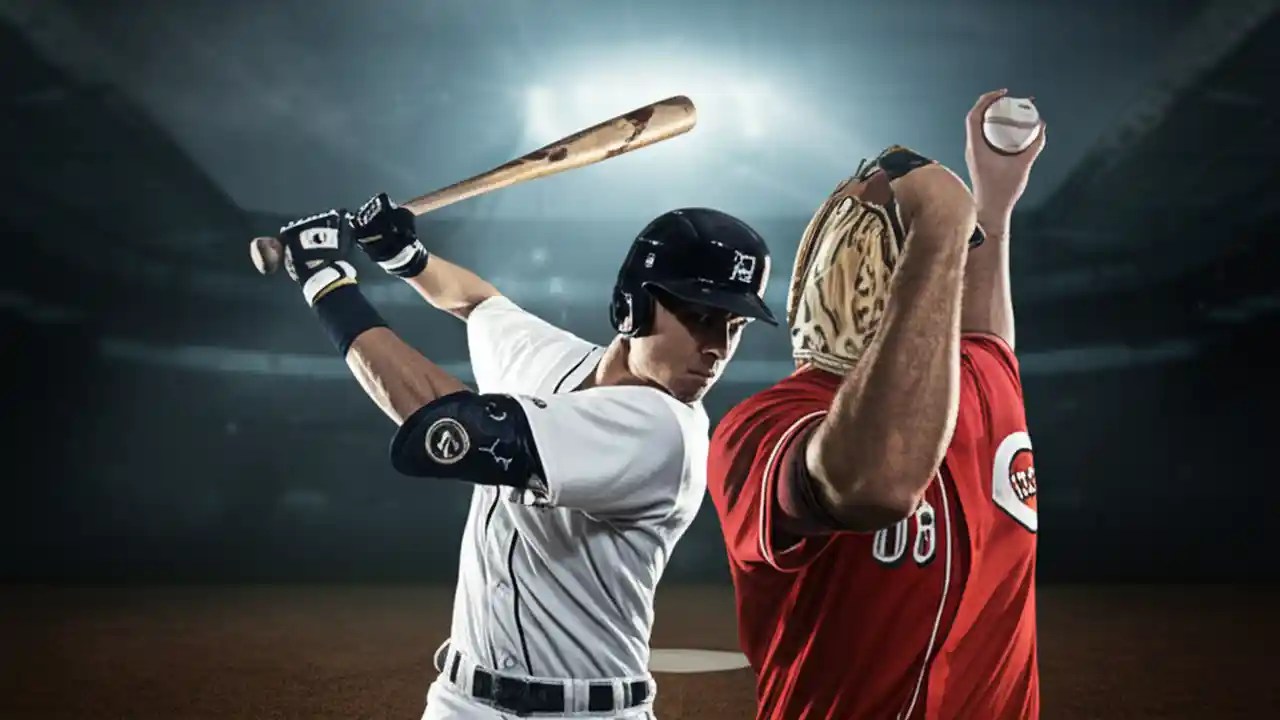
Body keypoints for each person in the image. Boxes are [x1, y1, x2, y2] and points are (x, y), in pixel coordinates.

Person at [272, 196, 778, 718]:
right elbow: (479, 303)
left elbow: (450, 424)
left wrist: (327, 283)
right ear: (633, 304)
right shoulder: (556, 361)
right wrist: (406, 256)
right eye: (700, 317)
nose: (718, 347)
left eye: (734, 325)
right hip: (460, 700)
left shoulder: (663, 432)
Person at [706, 89, 1047, 719]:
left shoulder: (982, 378)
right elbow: (876, 486)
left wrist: (993, 208)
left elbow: (984, 333)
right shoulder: (762, 424)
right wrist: (942, 225)